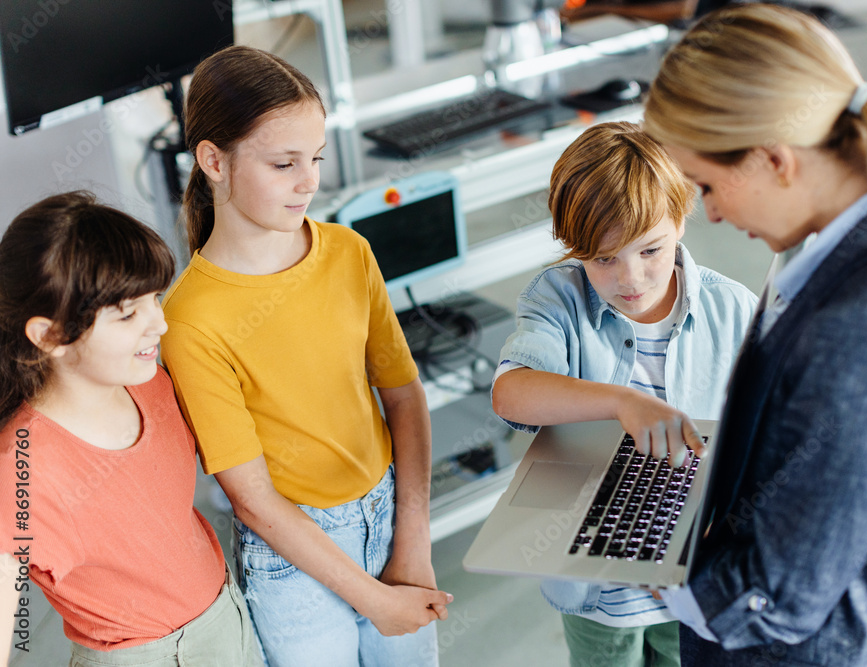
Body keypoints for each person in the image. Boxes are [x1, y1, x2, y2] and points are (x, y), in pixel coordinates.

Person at [642, 4, 867, 665]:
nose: (711, 213)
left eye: (706, 185)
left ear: (774, 158)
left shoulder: (863, 332)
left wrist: (641, 567)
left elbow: (772, 598)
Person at [159, 45, 451, 667]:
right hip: (295, 562)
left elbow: (403, 394)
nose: (310, 181)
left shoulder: (349, 252)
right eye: (284, 163)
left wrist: (413, 541)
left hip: (391, 514)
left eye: (314, 158)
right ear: (213, 160)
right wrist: (372, 598)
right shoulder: (190, 319)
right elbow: (254, 499)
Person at [491, 121, 757, 667]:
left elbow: (764, 430)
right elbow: (512, 394)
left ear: (681, 220)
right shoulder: (558, 298)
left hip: (690, 565)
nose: (630, 278)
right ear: (575, 249)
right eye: (603, 259)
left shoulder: (733, 309)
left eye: (650, 250)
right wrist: (619, 402)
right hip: (591, 581)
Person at [0, 192, 262, 666]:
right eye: (127, 314)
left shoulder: (150, 384)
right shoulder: (21, 468)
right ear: (49, 336)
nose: (159, 323)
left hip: (226, 616)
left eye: (155, 299)